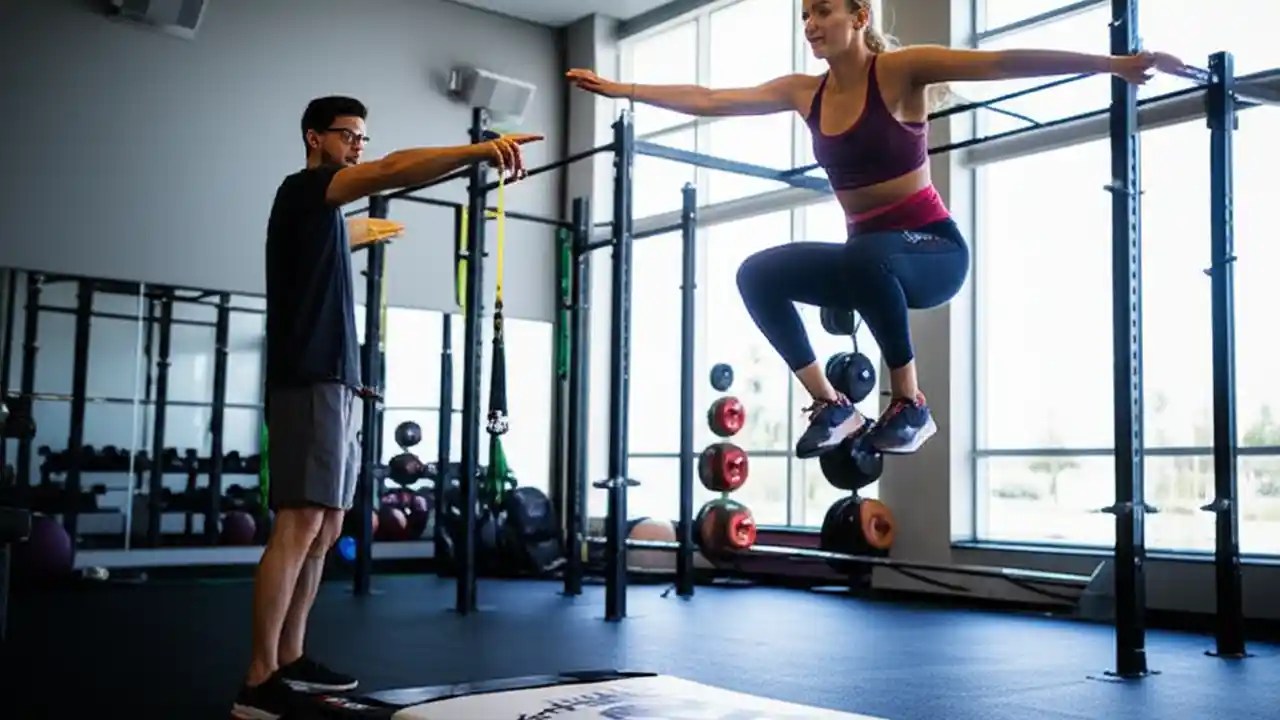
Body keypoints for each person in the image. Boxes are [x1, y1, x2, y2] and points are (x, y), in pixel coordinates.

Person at [567, 0, 1184, 459]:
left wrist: (1111, 64)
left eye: (823, 11)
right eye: (804, 15)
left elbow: (999, 62)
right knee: (758, 274)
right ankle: (831, 405)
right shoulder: (803, 92)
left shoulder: (899, 71)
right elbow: (709, 98)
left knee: (868, 256)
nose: (811, 25)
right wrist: (622, 88)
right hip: (872, 259)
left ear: (859, 16)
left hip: (933, 252)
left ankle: (910, 402)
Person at [232, 95, 541, 720]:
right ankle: (257, 681)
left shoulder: (324, 220)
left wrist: (360, 234)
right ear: (314, 137)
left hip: (339, 383)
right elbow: (394, 170)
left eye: (362, 138)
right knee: (299, 525)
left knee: (327, 528)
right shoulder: (303, 190)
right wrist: (479, 151)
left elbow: (350, 218)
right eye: (348, 135)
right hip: (307, 381)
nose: (357, 146)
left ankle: (291, 658)